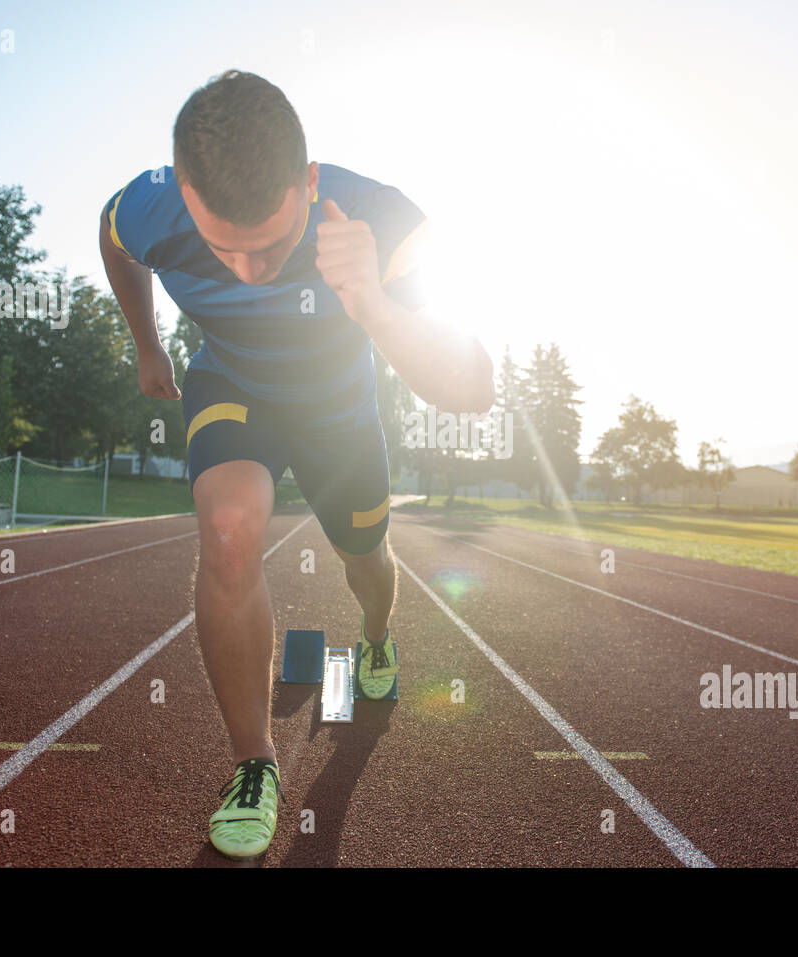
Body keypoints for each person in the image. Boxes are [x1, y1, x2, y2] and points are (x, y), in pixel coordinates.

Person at [99, 70, 494, 859]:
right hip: (233, 384)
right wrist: (146, 342)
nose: (251, 272)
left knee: (366, 561)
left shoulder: (379, 218)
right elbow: (112, 239)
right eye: (223, 250)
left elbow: (474, 387)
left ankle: (376, 636)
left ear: (310, 185)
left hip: (336, 410)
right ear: (183, 193)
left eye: (275, 247)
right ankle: (255, 763)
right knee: (232, 529)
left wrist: (374, 301)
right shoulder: (150, 206)